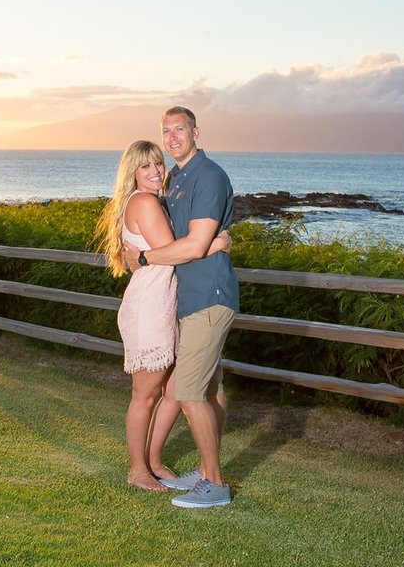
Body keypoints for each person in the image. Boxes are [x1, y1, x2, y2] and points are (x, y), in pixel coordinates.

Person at [95, 140, 230, 492]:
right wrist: (214, 243)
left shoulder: (152, 201)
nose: (156, 171)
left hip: (166, 302)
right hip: (150, 306)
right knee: (146, 393)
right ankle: (138, 469)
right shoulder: (143, 203)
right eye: (146, 167)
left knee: (173, 389)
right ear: (133, 173)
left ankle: (154, 460)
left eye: (158, 163)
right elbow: (173, 253)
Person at [123, 106, 239, 509]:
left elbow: (188, 245)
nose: (172, 138)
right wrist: (213, 242)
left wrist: (143, 259)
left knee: (188, 391)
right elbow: (182, 244)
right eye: (166, 131)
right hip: (181, 300)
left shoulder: (206, 176)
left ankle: (214, 483)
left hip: (207, 297)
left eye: (179, 129)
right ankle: (202, 473)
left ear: (195, 131)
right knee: (204, 390)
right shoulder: (171, 184)